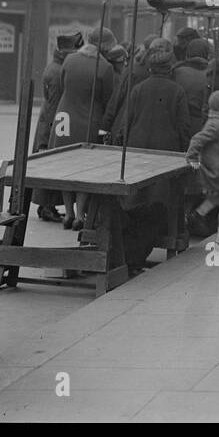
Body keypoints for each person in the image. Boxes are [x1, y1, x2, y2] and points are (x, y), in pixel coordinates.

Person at [109, 39, 193, 271]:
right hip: (165, 152)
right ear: (169, 68)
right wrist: (186, 152)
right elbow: (184, 126)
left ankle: (130, 251)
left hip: (137, 148)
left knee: (137, 200)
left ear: (150, 68)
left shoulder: (138, 89)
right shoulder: (177, 90)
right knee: (160, 201)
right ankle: (139, 251)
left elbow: (127, 120)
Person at [51, 26, 116, 230]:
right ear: (105, 46)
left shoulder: (70, 60)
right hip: (88, 120)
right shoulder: (105, 67)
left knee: (65, 167)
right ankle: (80, 215)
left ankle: (68, 213)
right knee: (84, 168)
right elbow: (107, 98)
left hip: (64, 117)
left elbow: (63, 85)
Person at [32, 31, 82, 222]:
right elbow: (53, 107)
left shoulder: (56, 67)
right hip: (52, 123)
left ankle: (47, 206)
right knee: (50, 166)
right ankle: (46, 207)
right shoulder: (57, 72)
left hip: (50, 122)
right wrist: (45, 138)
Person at [187, 89, 219, 239]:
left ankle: (198, 213)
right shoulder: (217, 124)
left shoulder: (215, 121)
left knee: (217, 198)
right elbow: (197, 140)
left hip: (216, 168)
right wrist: (192, 158)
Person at [173, 37, 212, 132]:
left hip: (177, 122)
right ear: (206, 53)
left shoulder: (176, 72)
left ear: (188, 53)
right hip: (202, 125)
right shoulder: (210, 75)